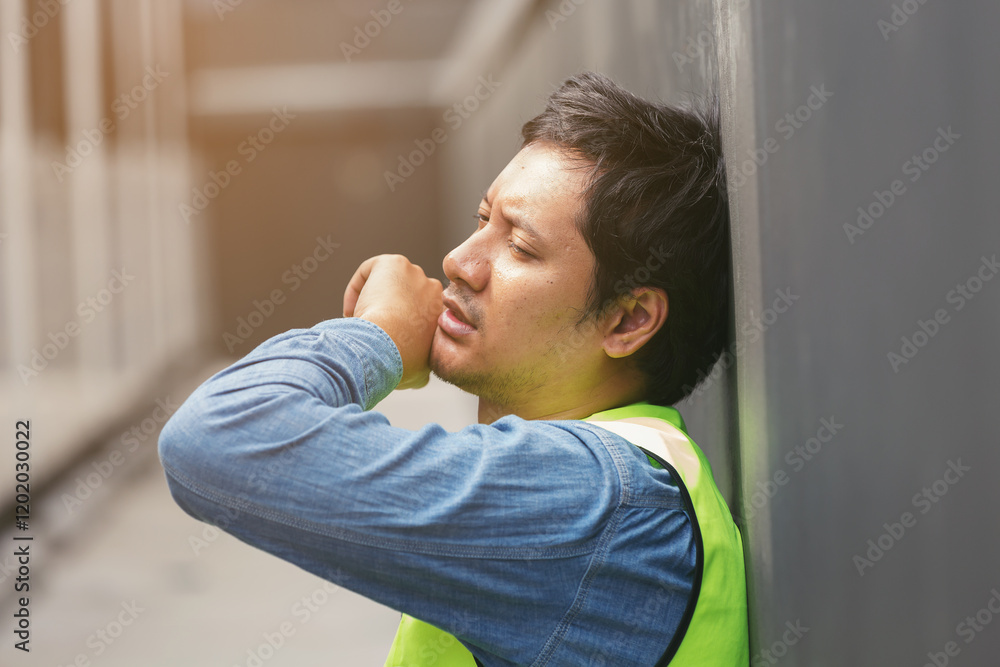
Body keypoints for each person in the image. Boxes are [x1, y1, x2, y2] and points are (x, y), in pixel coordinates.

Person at [158, 71, 748, 666]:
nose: (460, 262)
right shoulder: (611, 483)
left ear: (627, 321)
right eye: (481, 219)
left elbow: (216, 437)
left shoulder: (590, 501)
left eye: (519, 246)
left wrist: (377, 338)